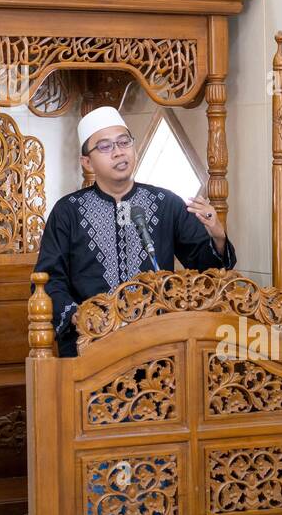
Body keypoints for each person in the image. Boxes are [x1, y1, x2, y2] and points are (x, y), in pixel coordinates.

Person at [33, 106, 236, 356]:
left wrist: (217, 235)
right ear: (87, 161)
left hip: (157, 343)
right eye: (105, 147)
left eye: (124, 142)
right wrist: (77, 315)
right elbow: (48, 280)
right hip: (91, 344)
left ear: (134, 147)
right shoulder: (68, 211)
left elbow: (207, 270)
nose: (118, 152)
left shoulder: (166, 203)